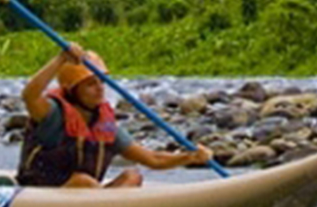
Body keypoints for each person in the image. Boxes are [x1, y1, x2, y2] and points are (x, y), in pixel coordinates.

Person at [17, 43, 212, 188]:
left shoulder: (106, 127)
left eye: (101, 82)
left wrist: (189, 157)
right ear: (71, 90)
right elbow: (29, 96)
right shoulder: (53, 114)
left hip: (89, 197)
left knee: (132, 176)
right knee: (82, 181)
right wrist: (60, 59)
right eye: (90, 84)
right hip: (40, 192)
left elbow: (153, 159)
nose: (99, 89)